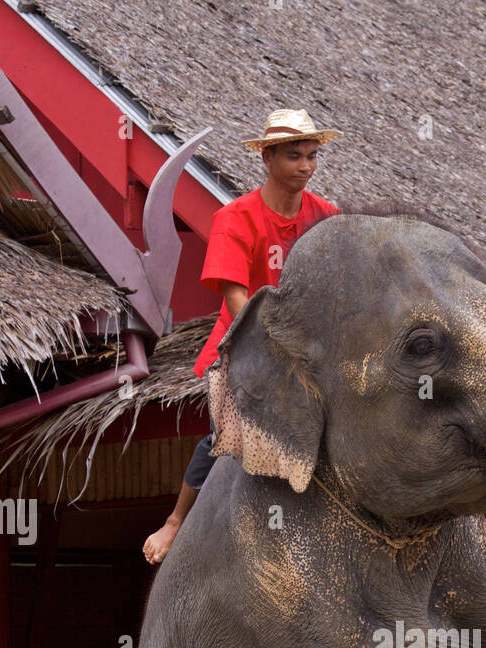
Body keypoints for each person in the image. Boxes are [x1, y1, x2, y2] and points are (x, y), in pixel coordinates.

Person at [142, 107, 343, 565]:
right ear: (267, 158)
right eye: (294, 156)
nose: (306, 167)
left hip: (308, 347)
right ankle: (175, 522)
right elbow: (236, 297)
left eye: (313, 156)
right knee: (226, 433)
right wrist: (276, 349)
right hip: (243, 342)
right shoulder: (236, 217)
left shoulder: (326, 216)